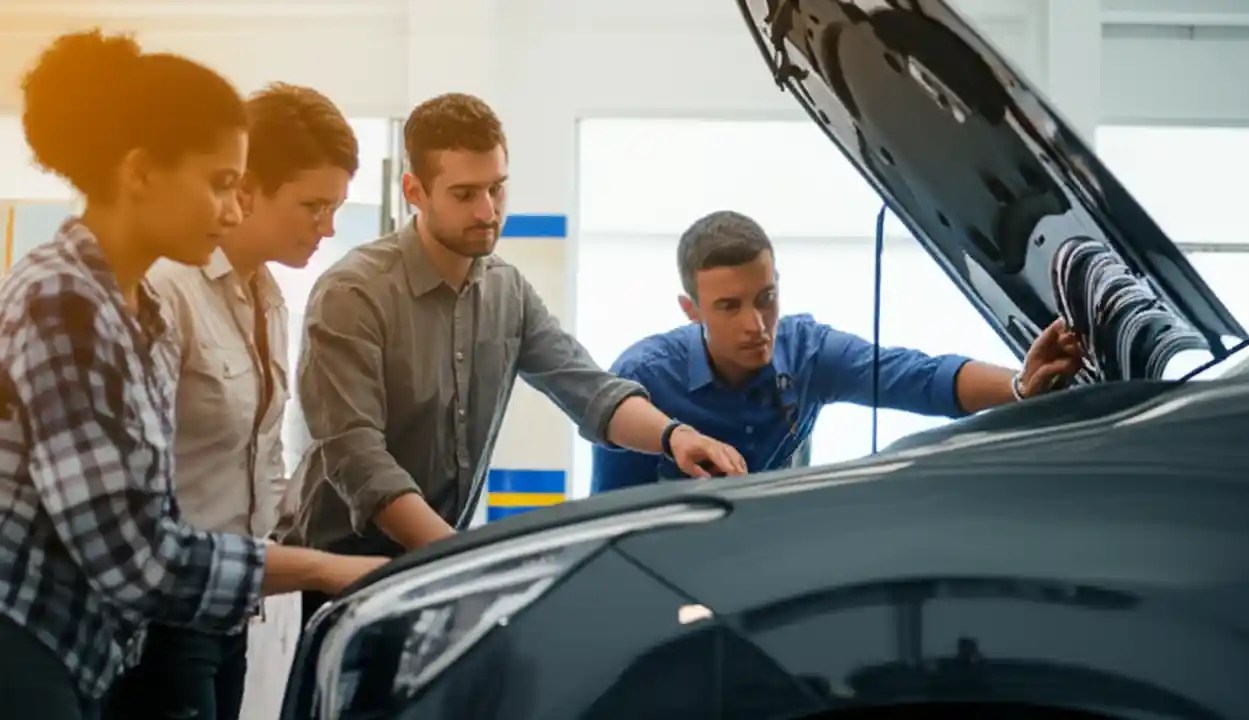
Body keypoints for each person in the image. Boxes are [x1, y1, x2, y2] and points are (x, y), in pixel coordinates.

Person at [0, 30, 385, 720]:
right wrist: (328, 568)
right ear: (141, 172)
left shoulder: (134, 306)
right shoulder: (61, 302)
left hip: (91, 644)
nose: (234, 211)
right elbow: (136, 559)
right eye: (221, 185)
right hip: (27, 642)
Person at [285, 92, 747, 621]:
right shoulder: (353, 294)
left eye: (497, 188)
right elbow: (360, 461)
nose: (488, 212)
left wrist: (676, 436)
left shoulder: (507, 291)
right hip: (331, 585)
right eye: (464, 194)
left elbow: (587, 389)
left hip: (430, 574)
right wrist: (464, 561)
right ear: (415, 191)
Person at [103, 83, 359, 720]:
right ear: (247, 190)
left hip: (231, 610)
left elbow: (260, 455)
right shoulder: (168, 292)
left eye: (335, 208)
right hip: (161, 619)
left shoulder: (267, 297)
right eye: (312, 206)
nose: (327, 227)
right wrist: (320, 568)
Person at [591, 210, 1085, 492]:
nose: (756, 324)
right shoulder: (642, 380)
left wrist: (1020, 387)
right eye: (728, 307)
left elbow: (917, 377)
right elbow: (604, 520)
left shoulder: (809, 352)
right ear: (690, 309)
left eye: (766, 298)